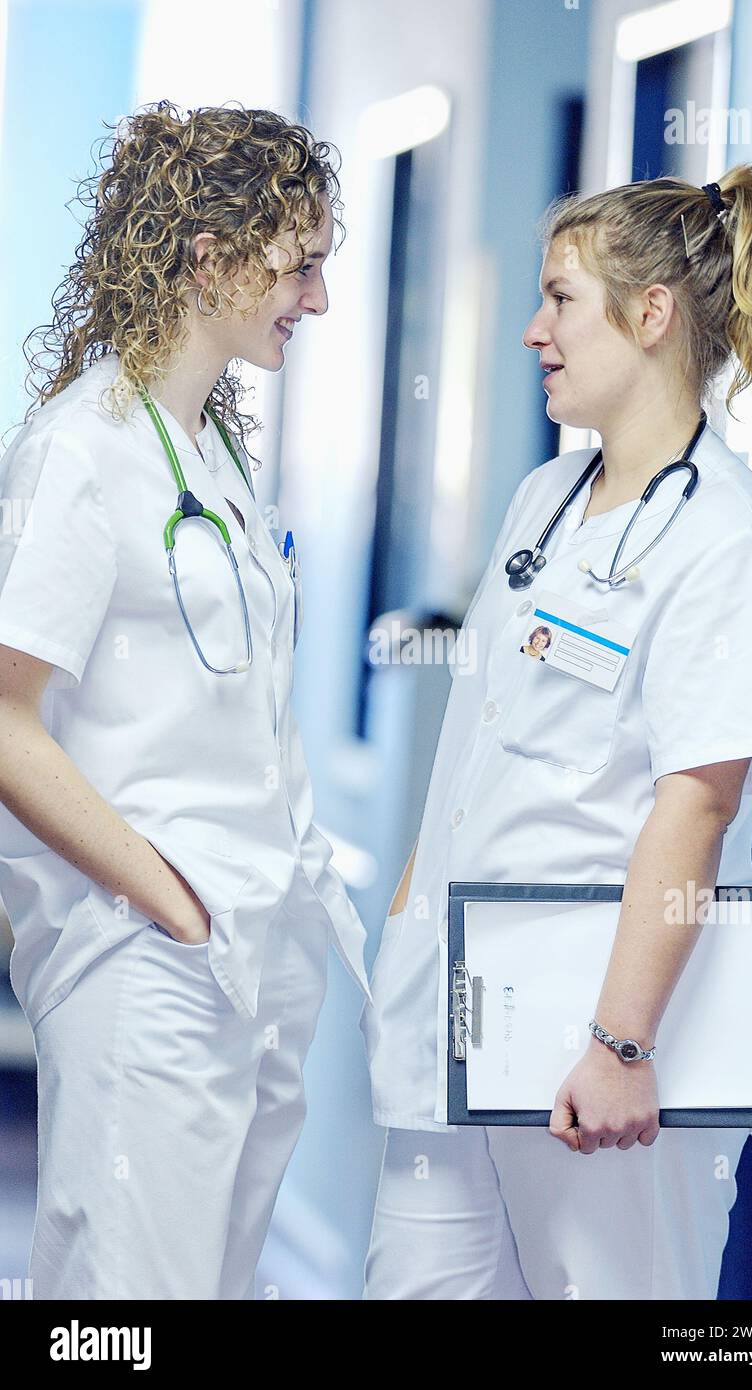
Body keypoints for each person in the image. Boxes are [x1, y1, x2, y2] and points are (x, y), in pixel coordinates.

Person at [360, 165, 752, 1300]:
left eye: (560, 300)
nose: (533, 331)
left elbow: (697, 805)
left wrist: (620, 1046)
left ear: (651, 312)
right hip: (455, 1018)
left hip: (600, 1056)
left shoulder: (726, 541)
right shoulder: (545, 501)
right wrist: (410, 931)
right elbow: (473, 756)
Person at [0, 100, 370, 1300]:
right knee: (123, 1307)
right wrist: (171, 901)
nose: (314, 299)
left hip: (248, 954)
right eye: (298, 265)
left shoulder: (206, 451)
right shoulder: (83, 447)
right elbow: (4, 723)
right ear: (209, 255)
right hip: (144, 955)